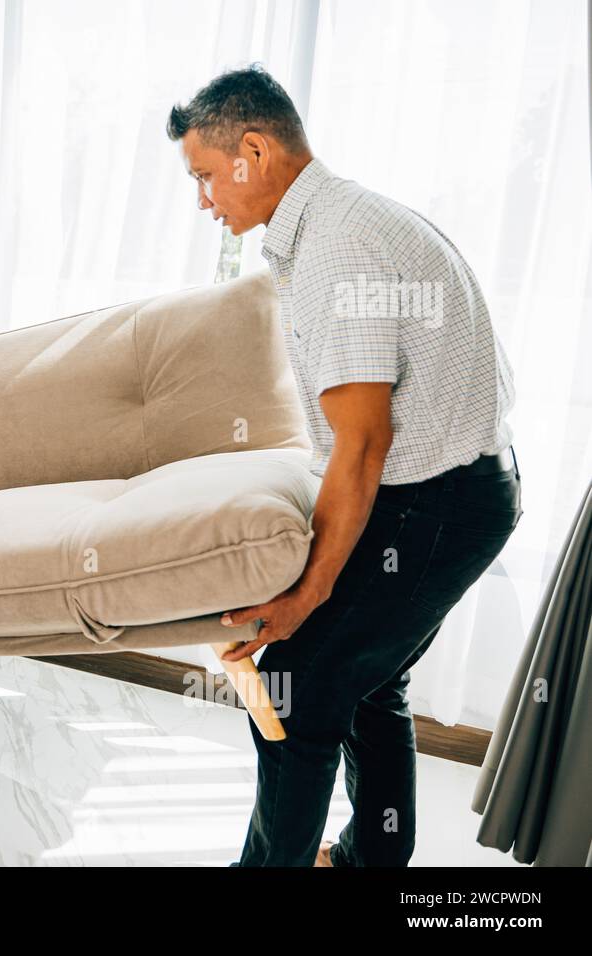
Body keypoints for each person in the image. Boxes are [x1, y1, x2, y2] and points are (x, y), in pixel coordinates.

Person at [166, 65, 521, 866]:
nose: (202, 201)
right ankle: (369, 860)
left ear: (252, 150)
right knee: (367, 684)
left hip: (439, 506)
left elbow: (362, 445)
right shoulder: (344, 218)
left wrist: (303, 595)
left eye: (204, 176)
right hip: (465, 491)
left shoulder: (338, 249)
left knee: (294, 689)